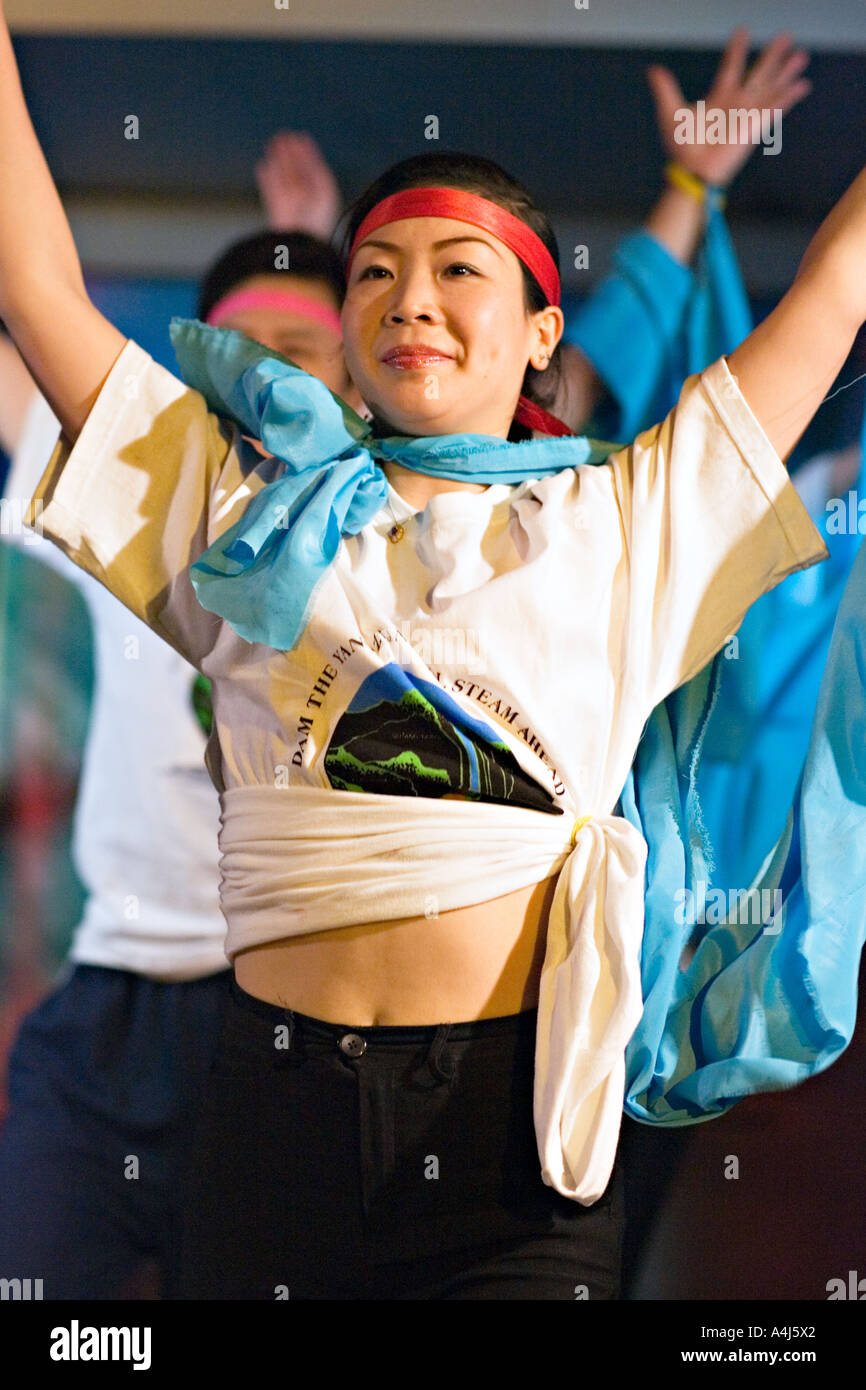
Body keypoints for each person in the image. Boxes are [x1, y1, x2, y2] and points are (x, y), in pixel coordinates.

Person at [6, 0, 858, 1297]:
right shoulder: (238, 520)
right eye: (374, 271)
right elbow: (33, 288)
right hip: (268, 1128)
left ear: (537, 332)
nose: (413, 297)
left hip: (501, 1157)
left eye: (460, 267)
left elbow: (836, 286)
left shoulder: (621, 524)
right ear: (345, 336)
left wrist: (695, 178)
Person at [0, 174, 364, 1296]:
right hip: (104, 1010)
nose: (271, 374)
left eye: (303, 352)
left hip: (280, 1028)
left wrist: (317, 252)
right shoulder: (138, 500)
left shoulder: (393, 535)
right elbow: (28, 310)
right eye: (243, 349)